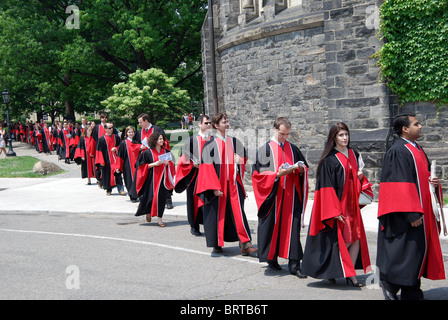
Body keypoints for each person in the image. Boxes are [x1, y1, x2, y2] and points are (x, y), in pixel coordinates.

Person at [377, 113, 445, 300]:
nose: (421, 126)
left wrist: (432, 181)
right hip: (407, 213)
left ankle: (411, 289)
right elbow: (398, 184)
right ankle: (390, 285)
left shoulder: (415, 148)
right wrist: (411, 213)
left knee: (415, 252)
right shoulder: (398, 150)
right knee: (405, 252)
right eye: (416, 124)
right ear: (405, 129)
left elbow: (418, 177)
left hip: (420, 209)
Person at [301, 122, 372, 287]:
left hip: (353, 204)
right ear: (333, 137)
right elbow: (326, 187)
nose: (345, 138)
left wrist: (360, 178)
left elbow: (357, 178)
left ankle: (350, 275)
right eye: (341, 135)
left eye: (346, 134)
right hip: (339, 206)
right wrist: (333, 209)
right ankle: (334, 267)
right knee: (344, 238)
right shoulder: (329, 159)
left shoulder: (354, 154)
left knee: (356, 238)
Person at [252, 117, 309, 278]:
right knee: (273, 228)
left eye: (287, 134)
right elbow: (258, 176)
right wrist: (276, 175)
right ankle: (272, 259)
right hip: (273, 197)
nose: (285, 137)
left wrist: (298, 169)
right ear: (275, 129)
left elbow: (304, 166)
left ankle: (294, 265)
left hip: (291, 197)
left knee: (293, 228)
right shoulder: (265, 150)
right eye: (283, 134)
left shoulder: (292, 148)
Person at [196, 112, 257, 256]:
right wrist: (214, 188)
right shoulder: (210, 144)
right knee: (217, 215)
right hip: (218, 187)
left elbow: (244, 159)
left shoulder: (234, 142)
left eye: (227, 121)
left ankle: (246, 245)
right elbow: (206, 168)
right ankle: (216, 245)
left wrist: (239, 160)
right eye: (224, 122)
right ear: (216, 126)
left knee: (239, 214)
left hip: (233, 186)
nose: (227, 124)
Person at [175, 115, 212, 236]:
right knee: (193, 201)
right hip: (194, 175)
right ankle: (194, 225)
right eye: (206, 123)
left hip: (209, 175)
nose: (208, 125)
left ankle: (209, 225)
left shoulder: (213, 139)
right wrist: (192, 164)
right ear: (199, 125)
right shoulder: (192, 140)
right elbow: (184, 157)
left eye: (209, 123)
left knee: (208, 200)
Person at [134, 132, 175, 227]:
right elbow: (140, 166)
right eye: (160, 139)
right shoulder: (148, 153)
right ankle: (148, 212)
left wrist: (167, 164)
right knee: (151, 198)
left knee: (161, 199)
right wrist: (154, 164)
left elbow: (172, 164)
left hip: (163, 180)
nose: (162, 140)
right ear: (155, 140)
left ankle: (160, 219)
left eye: (162, 139)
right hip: (151, 179)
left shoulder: (167, 152)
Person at [134, 113, 173, 209]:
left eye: (140, 122)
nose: (139, 124)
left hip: (159, 156)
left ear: (146, 121)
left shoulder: (157, 129)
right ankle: (148, 200)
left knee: (163, 179)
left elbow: (165, 142)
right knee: (148, 181)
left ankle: (168, 200)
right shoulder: (139, 132)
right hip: (147, 158)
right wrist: (140, 147)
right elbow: (134, 144)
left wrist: (165, 157)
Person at [95, 122, 126, 196]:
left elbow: (121, 147)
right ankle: (108, 190)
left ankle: (121, 189)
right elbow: (99, 151)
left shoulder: (116, 137)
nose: (111, 129)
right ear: (105, 129)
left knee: (118, 173)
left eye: (112, 127)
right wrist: (101, 161)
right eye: (109, 128)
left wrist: (116, 148)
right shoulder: (101, 139)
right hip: (106, 160)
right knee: (107, 175)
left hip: (115, 159)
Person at [116, 126, 141, 202]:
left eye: (132, 132)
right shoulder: (123, 143)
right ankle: (132, 196)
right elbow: (120, 156)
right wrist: (118, 167)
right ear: (126, 133)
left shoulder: (136, 142)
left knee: (137, 180)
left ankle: (138, 194)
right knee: (129, 180)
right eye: (129, 132)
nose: (131, 133)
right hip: (127, 165)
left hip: (136, 165)